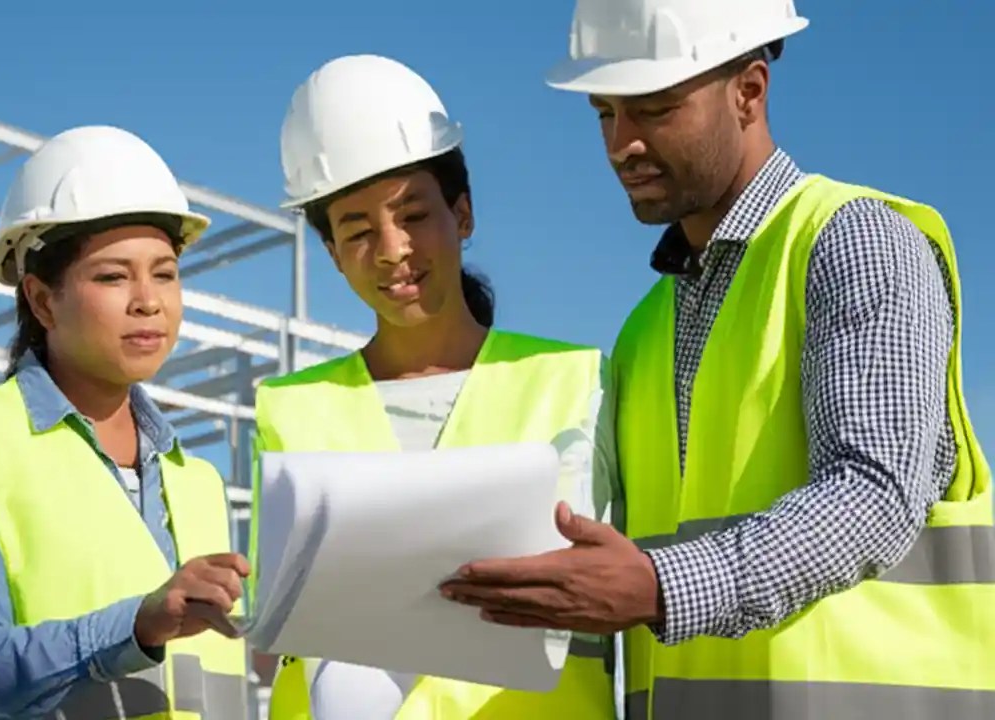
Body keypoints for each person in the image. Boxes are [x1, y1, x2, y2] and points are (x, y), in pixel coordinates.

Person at [438, 1, 995, 718]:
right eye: (604, 113)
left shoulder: (855, 244)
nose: (620, 145)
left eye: (655, 109)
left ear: (750, 91)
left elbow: (874, 495)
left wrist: (660, 588)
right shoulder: (642, 332)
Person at [256, 54, 620, 720]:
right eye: (358, 231)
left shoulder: (577, 381)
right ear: (334, 255)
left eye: (413, 215)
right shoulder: (291, 410)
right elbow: (282, 636)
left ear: (464, 214)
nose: (392, 249)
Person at [0, 125, 251, 720]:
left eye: (165, 273)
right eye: (113, 276)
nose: (148, 300)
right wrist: (134, 626)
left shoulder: (197, 482)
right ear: (43, 301)